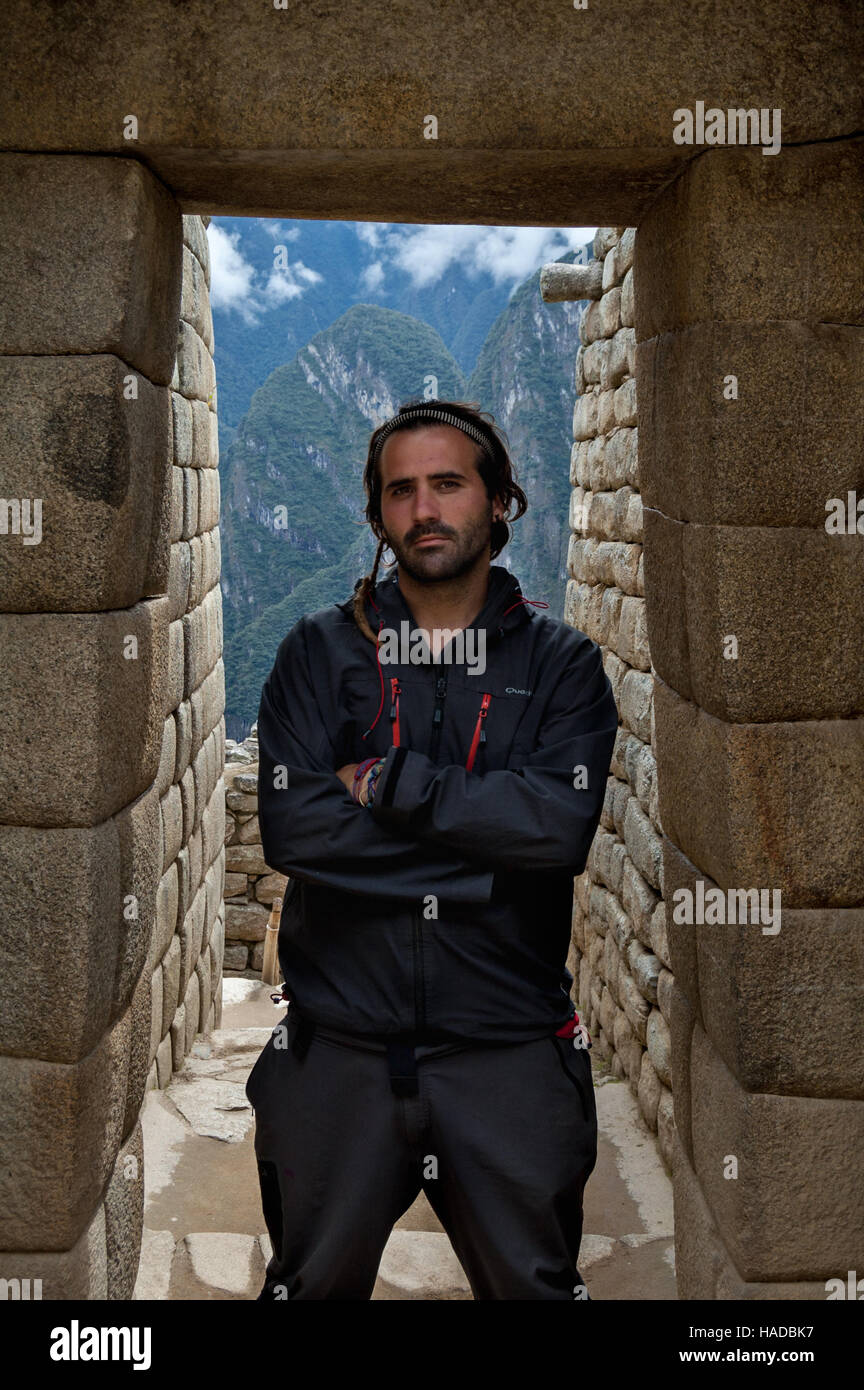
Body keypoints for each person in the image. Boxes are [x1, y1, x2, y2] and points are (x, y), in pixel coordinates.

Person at [246, 397, 619, 1300]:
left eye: (448, 484)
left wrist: (386, 785)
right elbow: (296, 828)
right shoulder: (318, 654)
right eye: (400, 491)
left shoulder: (561, 667)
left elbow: (556, 830)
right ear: (378, 515)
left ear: (499, 500)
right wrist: (491, 854)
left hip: (507, 1054)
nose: (424, 510)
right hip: (338, 1055)